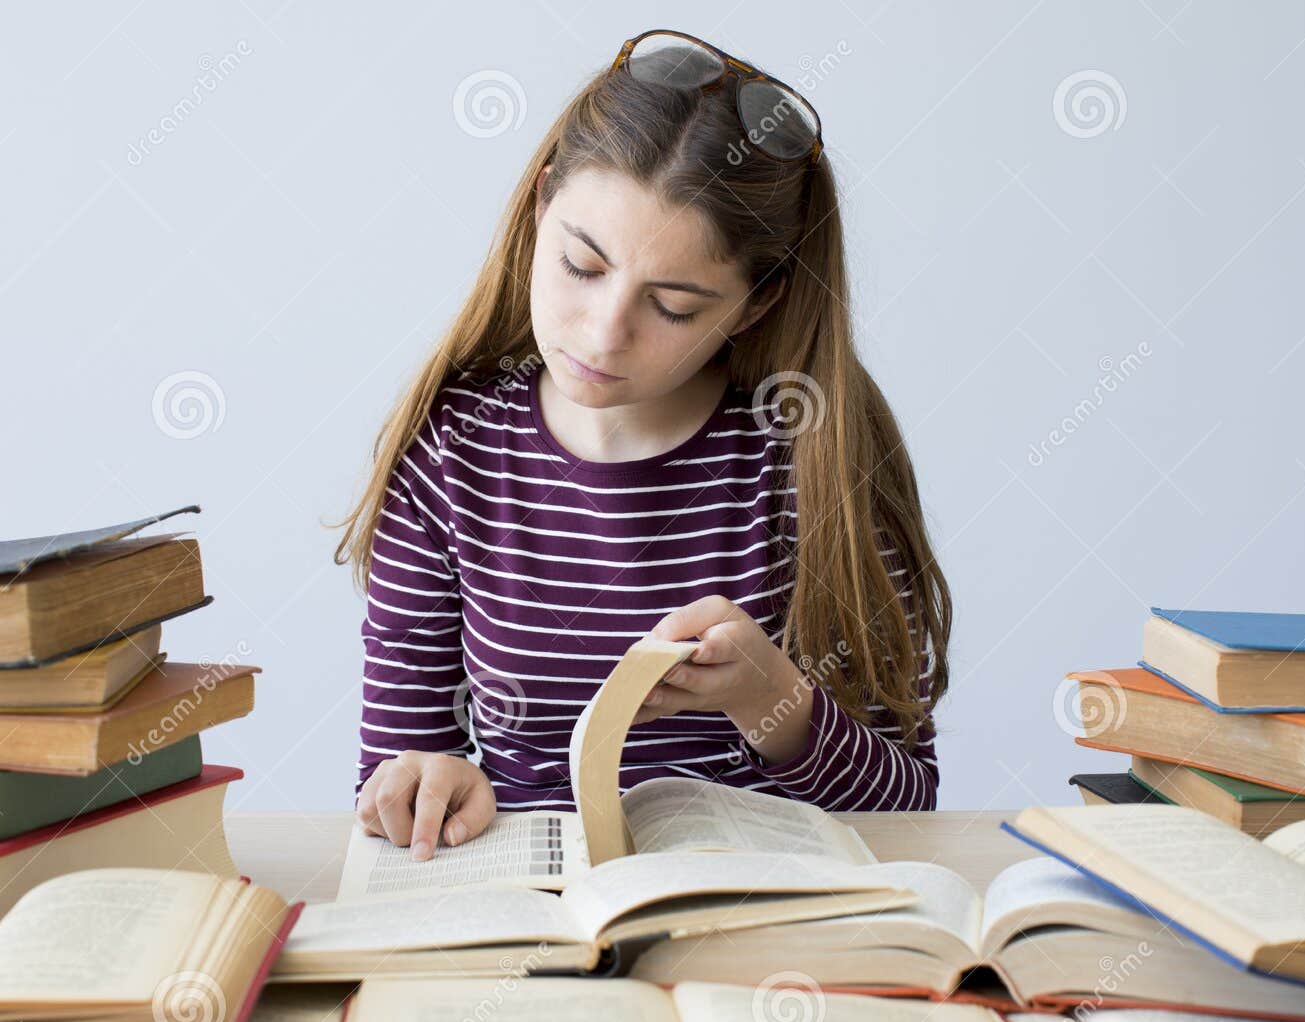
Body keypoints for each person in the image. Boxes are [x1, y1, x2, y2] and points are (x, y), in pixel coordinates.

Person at [333, 30, 952, 861]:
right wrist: (435, 788)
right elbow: (391, 781)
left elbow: (911, 809)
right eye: (581, 266)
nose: (604, 332)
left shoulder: (813, 451)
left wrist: (778, 704)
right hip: (538, 925)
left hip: (772, 937)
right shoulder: (453, 452)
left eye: (674, 307)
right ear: (541, 205)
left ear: (756, 302)